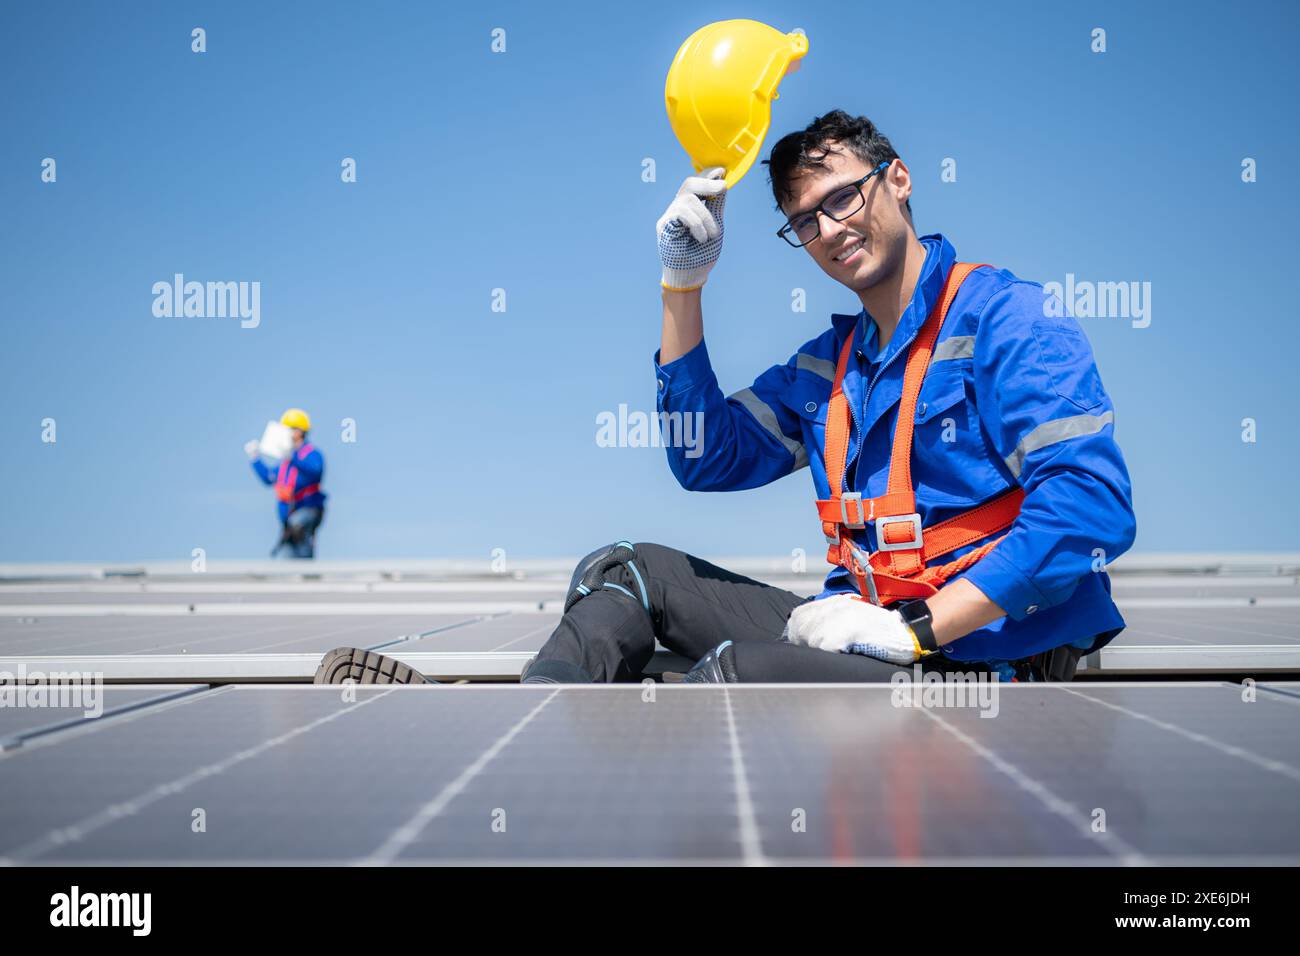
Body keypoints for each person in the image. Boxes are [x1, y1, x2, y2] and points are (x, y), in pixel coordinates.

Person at [314, 109, 1134, 686]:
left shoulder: (1007, 319)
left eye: (842, 196)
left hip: (979, 662)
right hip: (857, 638)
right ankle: (529, 731)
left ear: (900, 180)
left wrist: (912, 629)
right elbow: (704, 460)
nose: (830, 229)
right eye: (804, 222)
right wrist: (684, 286)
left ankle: (576, 750)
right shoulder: (830, 367)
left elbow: (1092, 509)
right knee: (628, 573)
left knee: (738, 677)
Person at [245, 408, 327, 559]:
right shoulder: (285, 462)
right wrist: (255, 458)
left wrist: (293, 457)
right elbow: (269, 478)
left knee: (294, 543)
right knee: (294, 555)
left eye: (288, 429)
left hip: (306, 509)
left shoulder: (310, 453)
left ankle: (304, 578)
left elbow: (315, 470)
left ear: (299, 431)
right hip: (289, 517)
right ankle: (304, 579)